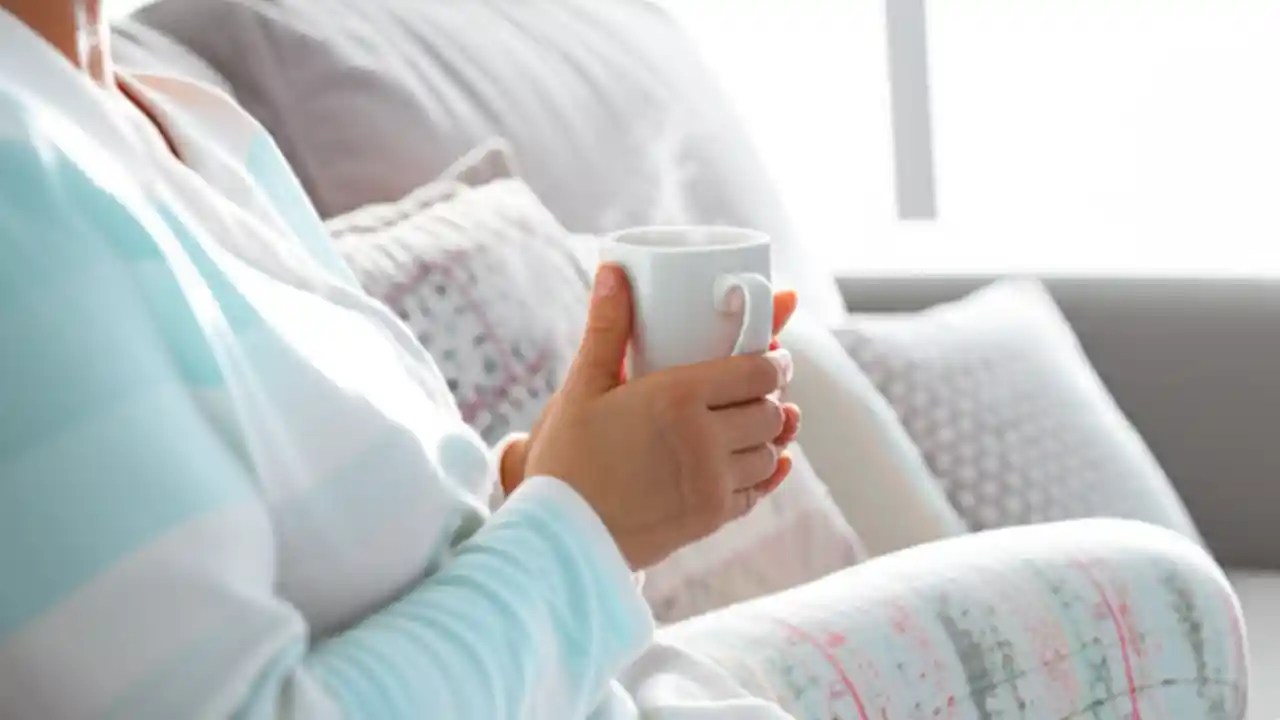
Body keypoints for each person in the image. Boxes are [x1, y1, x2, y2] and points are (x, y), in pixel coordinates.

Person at [0, 2, 1249, 719]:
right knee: (1159, 607)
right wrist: (581, 526)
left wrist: (535, 490)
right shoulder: (21, 182)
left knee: (1156, 593)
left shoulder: (162, 114)